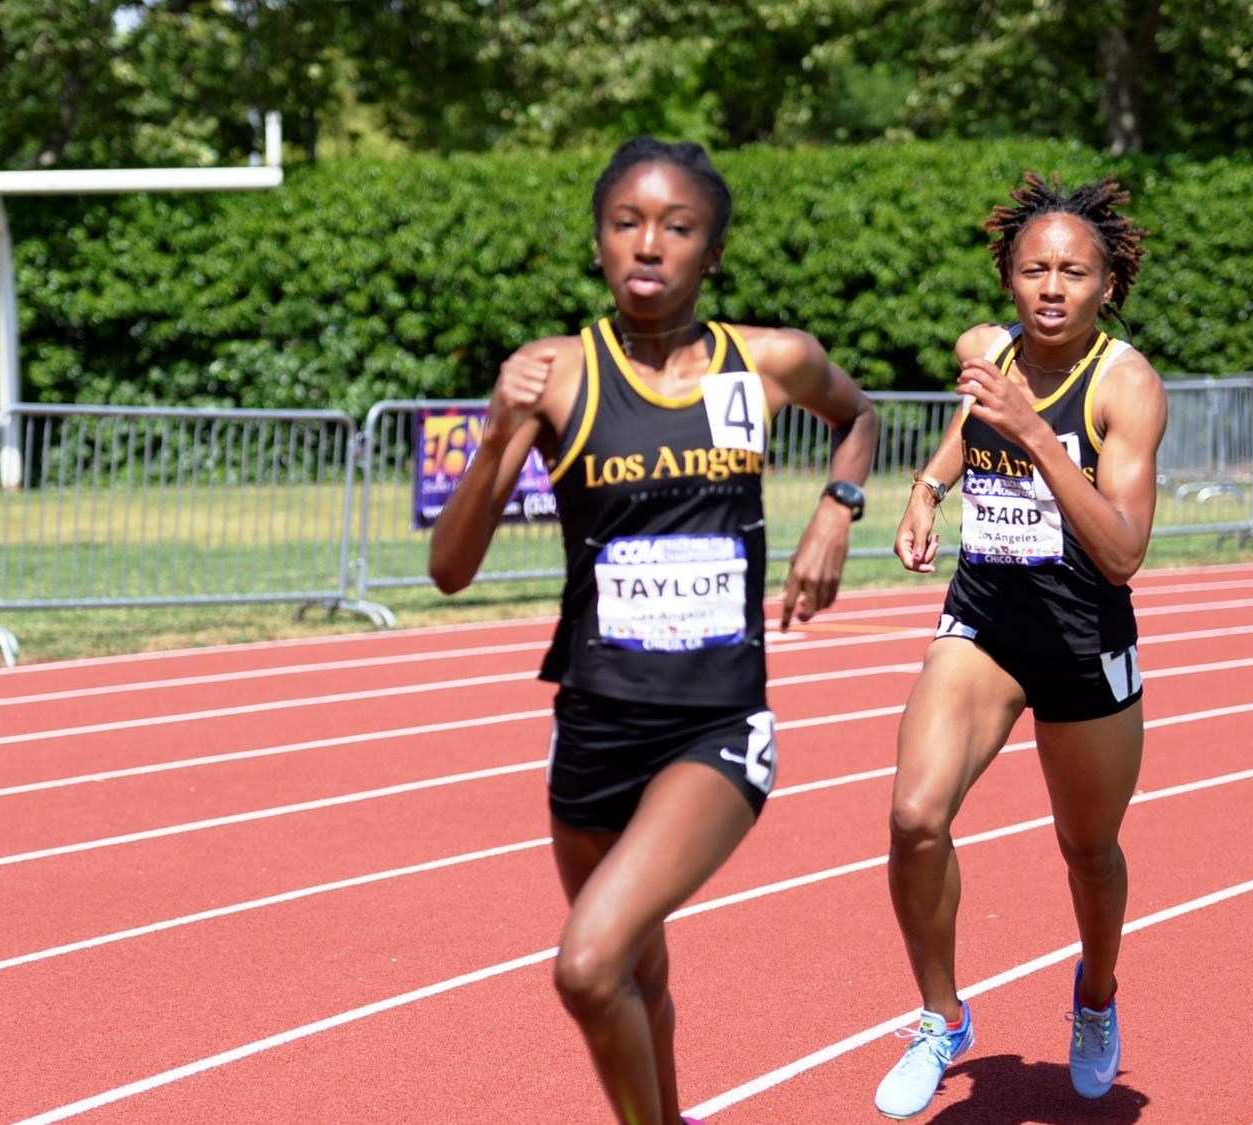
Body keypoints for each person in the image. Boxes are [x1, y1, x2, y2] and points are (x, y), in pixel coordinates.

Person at [428, 137, 878, 1125]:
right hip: (592, 725)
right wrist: (501, 431)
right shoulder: (552, 379)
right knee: (637, 974)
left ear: (710, 251)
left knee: (587, 968)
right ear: (596, 242)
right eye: (625, 221)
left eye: (676, 227)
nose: (647, 243)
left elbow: (857, 417)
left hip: (713, 724)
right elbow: (448, 571)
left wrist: (834, 512)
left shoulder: (768, 362)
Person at [873, 172, 1166, 1119]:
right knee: (916, 816)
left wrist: (1041, 435)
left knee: (1087, 847)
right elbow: (972, 422)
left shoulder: (1127, 385)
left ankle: (1095, 995)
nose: (1051, 287)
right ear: (1007, 277)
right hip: (987, 621)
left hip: (1083, 640)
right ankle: (940, 1016)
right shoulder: (984, 351)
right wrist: (927, 485)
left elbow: (1123, 553)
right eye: (1033, 268)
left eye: (1072, 272)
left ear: (1107, 285)